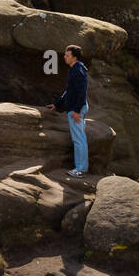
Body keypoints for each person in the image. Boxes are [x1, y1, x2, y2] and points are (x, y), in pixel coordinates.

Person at [47, 45, 89, 177]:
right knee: (80, 138)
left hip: (76, 108)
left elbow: (82, 92)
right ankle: (81, 167)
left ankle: (81, 169)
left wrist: (76, 111)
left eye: (67, 55)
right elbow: (69, 91)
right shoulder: (76, 69)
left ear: (74, 57)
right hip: (76, 107)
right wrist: (57, 104)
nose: (64, 57)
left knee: (79, 139)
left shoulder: (77, 71)